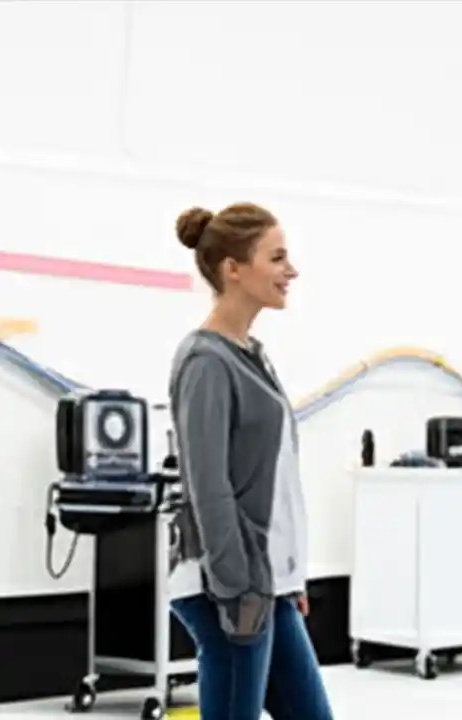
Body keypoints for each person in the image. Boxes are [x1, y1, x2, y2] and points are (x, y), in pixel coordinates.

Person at [165, 202, 333, 720]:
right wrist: (239, 590)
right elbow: (208, 485)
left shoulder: (250, 354)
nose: (292, 270)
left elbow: (273, 479)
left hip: (268, 586)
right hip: (231, 588)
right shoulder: (206, 362)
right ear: (232, 269)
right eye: (277, 257)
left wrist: (288, 577)